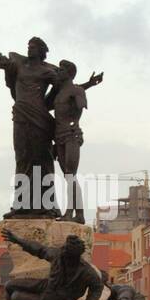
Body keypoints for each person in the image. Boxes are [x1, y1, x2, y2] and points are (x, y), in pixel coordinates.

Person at [0, 23, 60, 216]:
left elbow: (64, 91)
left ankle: (47, 205)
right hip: (21, 115)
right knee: (22, 160)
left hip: (39, 119)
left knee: (42, 161)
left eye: (33, 46)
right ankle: (21, 205)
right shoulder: (18, 65)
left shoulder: (48, 71)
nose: (29, 48)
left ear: (42, 51)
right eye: (28, 45)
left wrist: (84, 87)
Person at [0, 227, 104, 300]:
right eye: (63, 249)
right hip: (48, 286)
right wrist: (17, 240)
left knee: (16, 297)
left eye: (65, 252)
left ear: (74, 257)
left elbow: (98, 287)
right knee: (9, 285)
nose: (62, 252)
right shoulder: (58, 255)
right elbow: (39, 249)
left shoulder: (86, 271)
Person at [51, 61, 104, 223]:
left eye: (61, 70)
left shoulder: (76, 90)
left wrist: (82, 92)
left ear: (69, 73)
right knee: (68, 176)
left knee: (70, 175)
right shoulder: (59, 93)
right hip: (59, 136)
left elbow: (80, 104)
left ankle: (71, 212)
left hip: (72, 135)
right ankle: (79, 215)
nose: (58, 72)